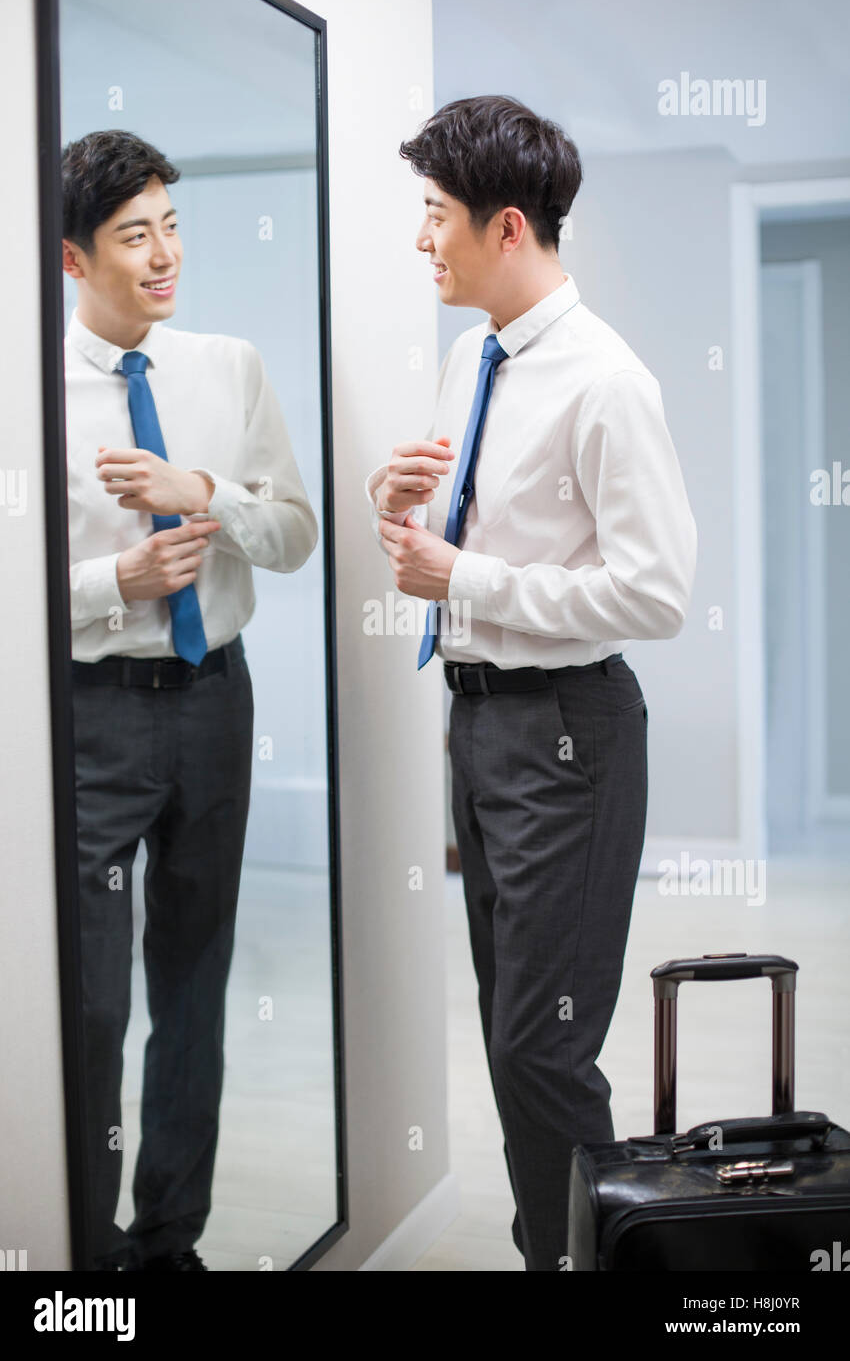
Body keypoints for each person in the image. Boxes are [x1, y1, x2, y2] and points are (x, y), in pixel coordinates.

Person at [365, 95, 697, 1271]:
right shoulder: (473, 359)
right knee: (517, 1038)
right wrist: (396, 507)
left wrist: (471, 574)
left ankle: (591, 1264)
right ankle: (546, 1253)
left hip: (567, 734)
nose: (422, 241)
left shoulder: (608, 381)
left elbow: (655, 593)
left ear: (506, 227)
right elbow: (471, 540)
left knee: (539, 1048)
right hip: (478, 724)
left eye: (434, 215)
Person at [62, 129, 317, 1270]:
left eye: (170, 225)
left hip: (217, 697)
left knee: (194, 985)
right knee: (89, 1003)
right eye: (133, 237)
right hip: (89, 717)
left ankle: (170, 1242)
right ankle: (82, 1239)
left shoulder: (228, 366)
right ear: (74, 259)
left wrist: (200, 490)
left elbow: (295, 534)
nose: (164, 255)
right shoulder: (15, 395)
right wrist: (114, 578)